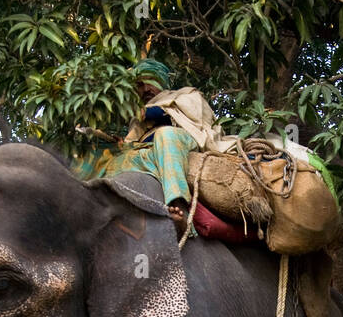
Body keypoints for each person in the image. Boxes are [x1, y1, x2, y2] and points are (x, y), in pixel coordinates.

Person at [72, 58, 230, 236]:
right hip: (148, 154)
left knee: (165, 134)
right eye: (140, 84)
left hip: (178, 143)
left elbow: (195, 119)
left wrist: (147, 112)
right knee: (96, 148)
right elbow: (131, 141)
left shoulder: (186, 95)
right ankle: (72, 195)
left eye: (151, 82)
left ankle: (179, 207)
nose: (146, 88)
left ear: (162, 81)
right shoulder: (138, 115)